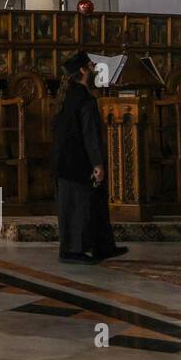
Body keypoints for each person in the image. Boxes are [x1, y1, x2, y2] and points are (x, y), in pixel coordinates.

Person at [50, 51, 128, 264]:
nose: (95, 68)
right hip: (76, 162)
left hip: (64, 161)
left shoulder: (67, 96)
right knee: (77, 207)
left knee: (94, 203)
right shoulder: (84, 99)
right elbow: (90, 134)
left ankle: (103, 247)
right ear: (83, 70)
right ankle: (71, 251)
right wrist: (97, 164)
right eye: (91, 65)